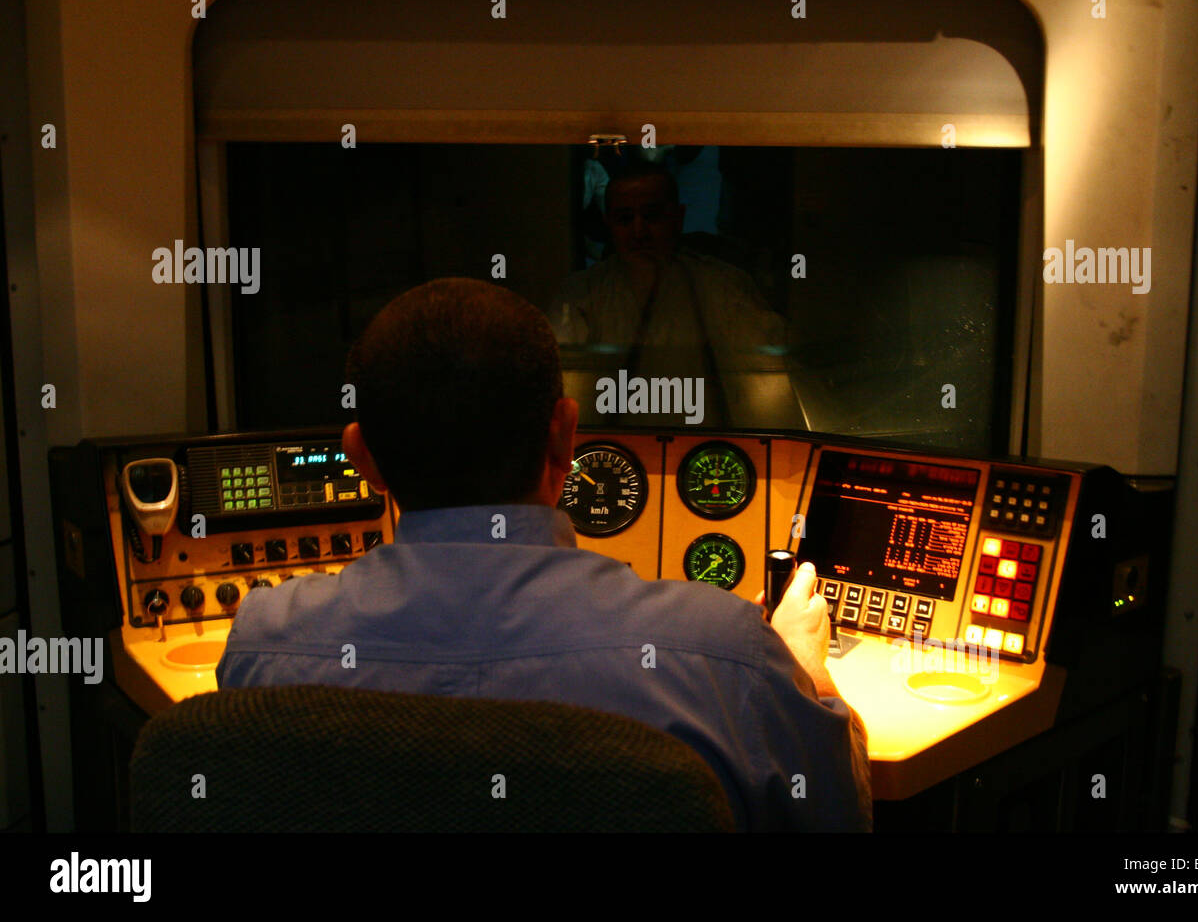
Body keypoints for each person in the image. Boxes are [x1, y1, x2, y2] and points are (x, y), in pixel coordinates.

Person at [217, 278, 870, 831]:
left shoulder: (264, 646)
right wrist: (807, 672)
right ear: (564, 435)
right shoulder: (725, 655)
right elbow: (839, 815)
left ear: (363, 459)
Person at [549, 162, 786, 390]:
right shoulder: (580, 294)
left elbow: (772, 367)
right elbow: (557, 376)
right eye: (624, 219)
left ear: (678, 218)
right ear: (608, 224)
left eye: (652, 216)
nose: (639, 232)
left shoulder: (724, 287)